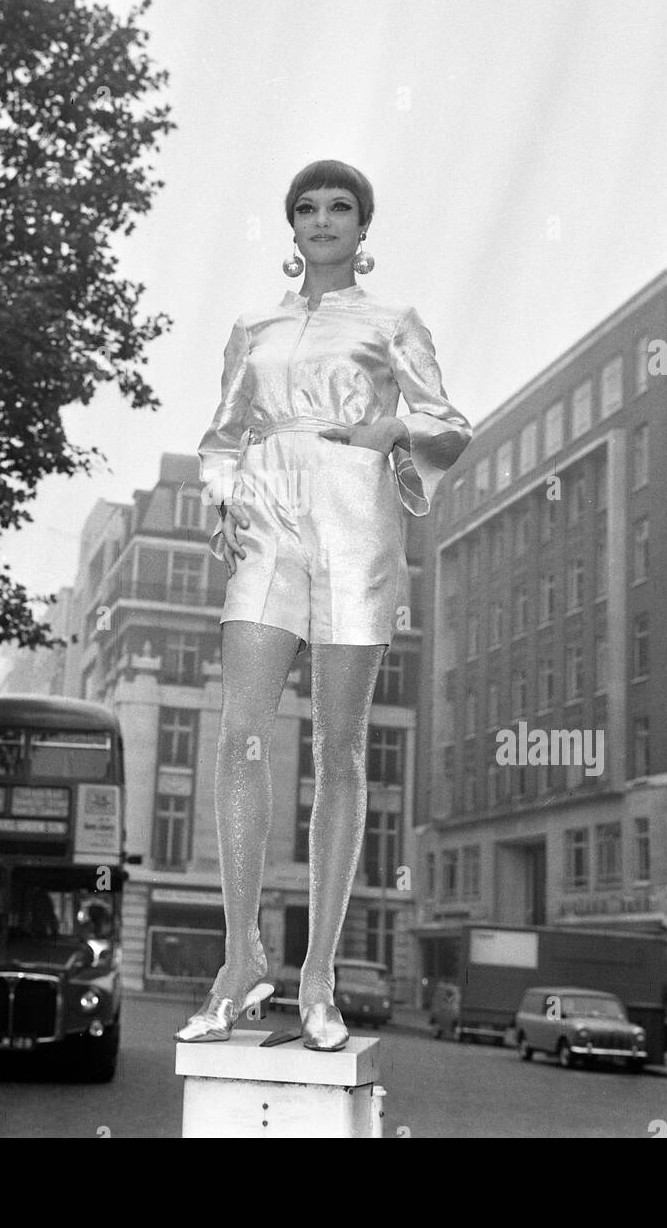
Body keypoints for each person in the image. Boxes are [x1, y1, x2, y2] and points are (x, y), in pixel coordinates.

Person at [176, 160, 471, 1051]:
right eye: (307, 207)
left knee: (337, 748)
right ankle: (241, 958)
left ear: (363, 225)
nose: (322, 218)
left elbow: (450, 424)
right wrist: (223, 501)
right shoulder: (252, 326)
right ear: (292, 226)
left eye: (340, 206)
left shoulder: (392, 321)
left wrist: (393, 431)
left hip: (353, 518)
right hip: (269, 525)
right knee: (241, 733)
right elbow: (224, 434)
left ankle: (318, 976)